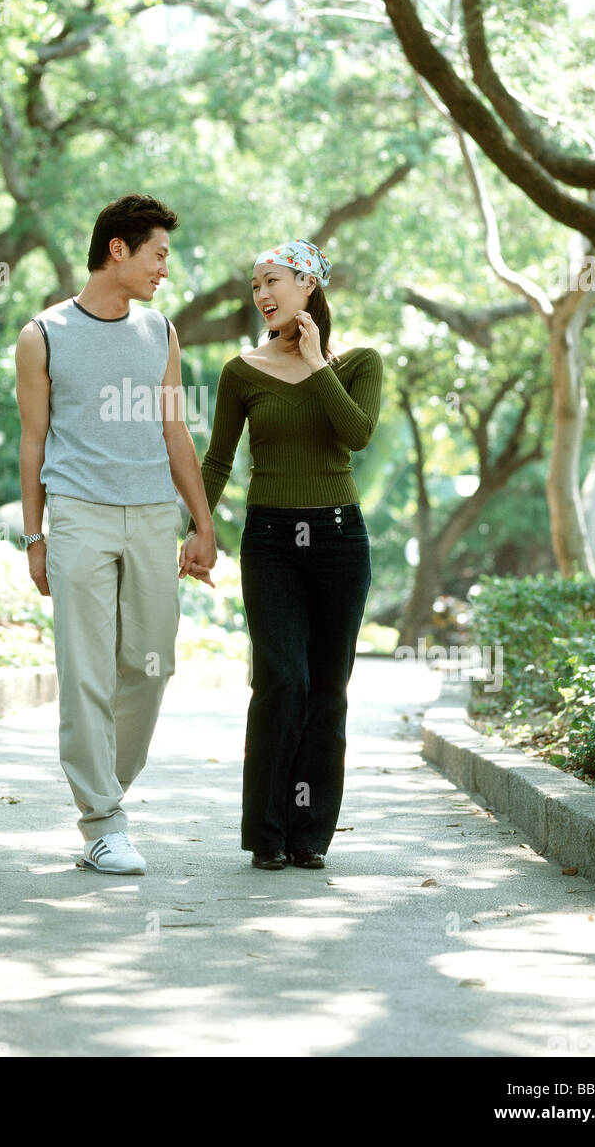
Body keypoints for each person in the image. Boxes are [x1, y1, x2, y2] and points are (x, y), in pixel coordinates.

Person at [14, 194, 216, 876]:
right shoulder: (43, 334)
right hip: (77, 515)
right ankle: (103, 821)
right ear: (119, 250)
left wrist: (203, 523)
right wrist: (34, 537)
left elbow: (174, 429)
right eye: (159, 253)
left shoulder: (159, 331)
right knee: (85, 671)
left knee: (150, 664)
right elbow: (33, 438)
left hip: (155, 515)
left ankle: (111, 792)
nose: (166, 268)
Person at [181, 239, 382, 871]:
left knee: (327, 687)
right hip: (271, 541)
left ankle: (309, 835)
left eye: (273, 281)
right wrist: (196, 529)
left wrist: (319, 361)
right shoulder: (242, 371)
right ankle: (266, 833)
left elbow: (357, 435)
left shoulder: (359, 362)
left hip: (339, 539)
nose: (262, 294)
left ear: (309, 286)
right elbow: (217, 459)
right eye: (255, 285)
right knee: (281, 679)